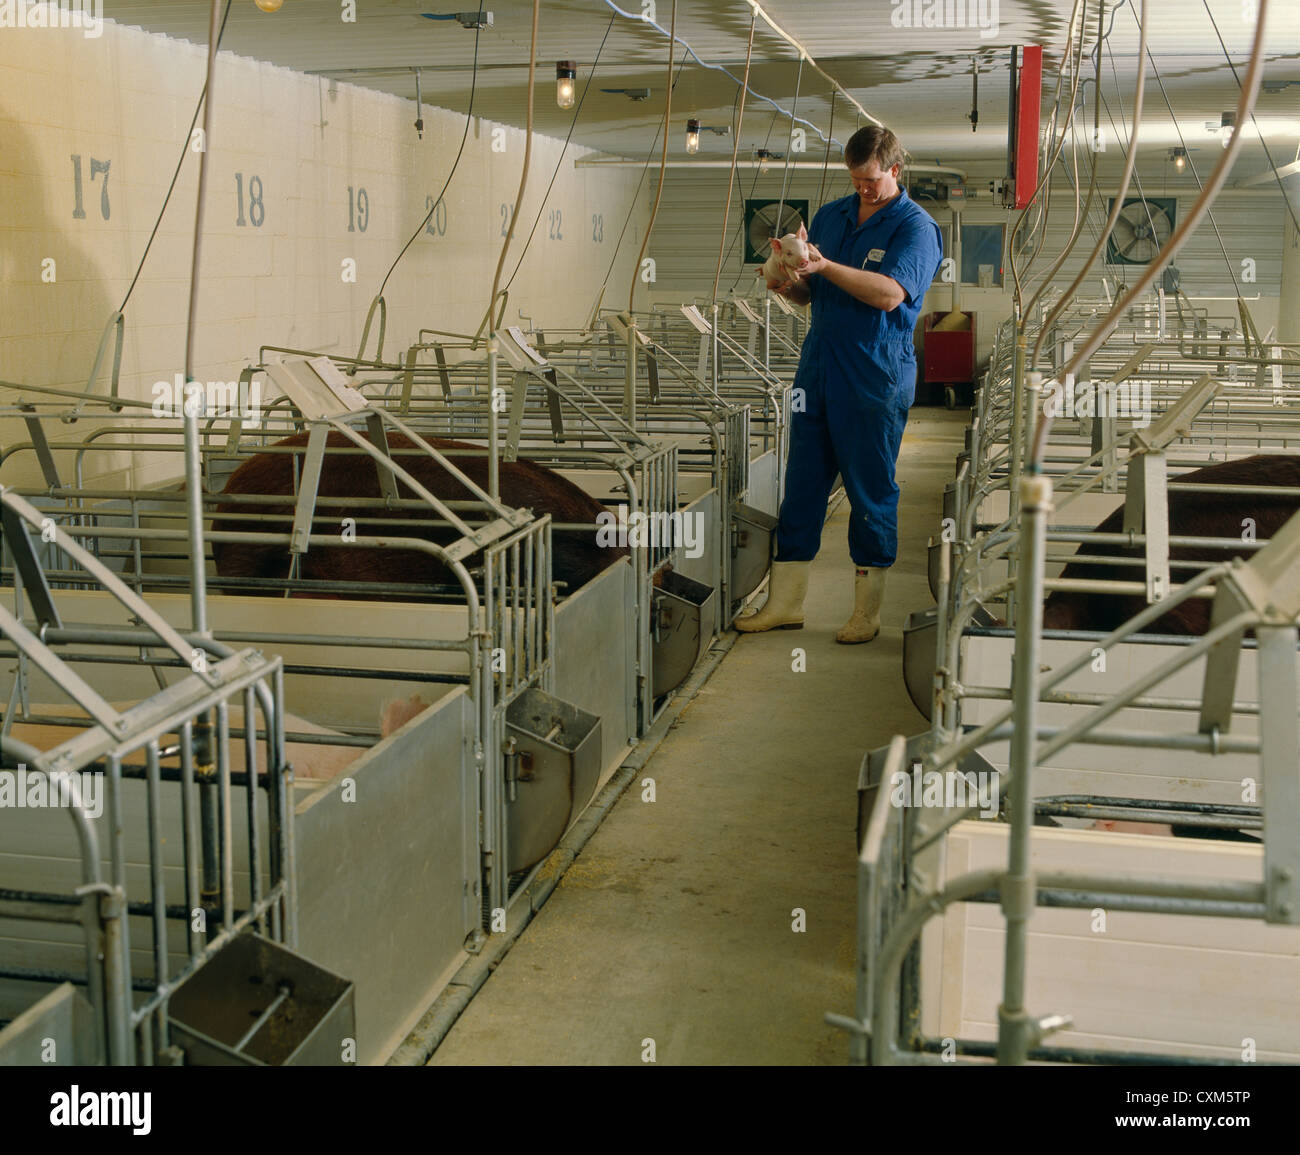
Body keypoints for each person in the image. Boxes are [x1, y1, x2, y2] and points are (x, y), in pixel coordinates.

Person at [735, 125, 943, 643]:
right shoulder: (832, 214)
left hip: (875, 372)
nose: (863, 190)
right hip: (820, 366)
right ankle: (785, 603)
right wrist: (788, 281)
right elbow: (811, 295)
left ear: (894, 170)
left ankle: (865, 613)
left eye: (871, 180)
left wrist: (825, 264)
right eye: (855, 180)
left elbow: (890, 294)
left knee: (870, 490)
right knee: (802, 482)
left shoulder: (917, 227)